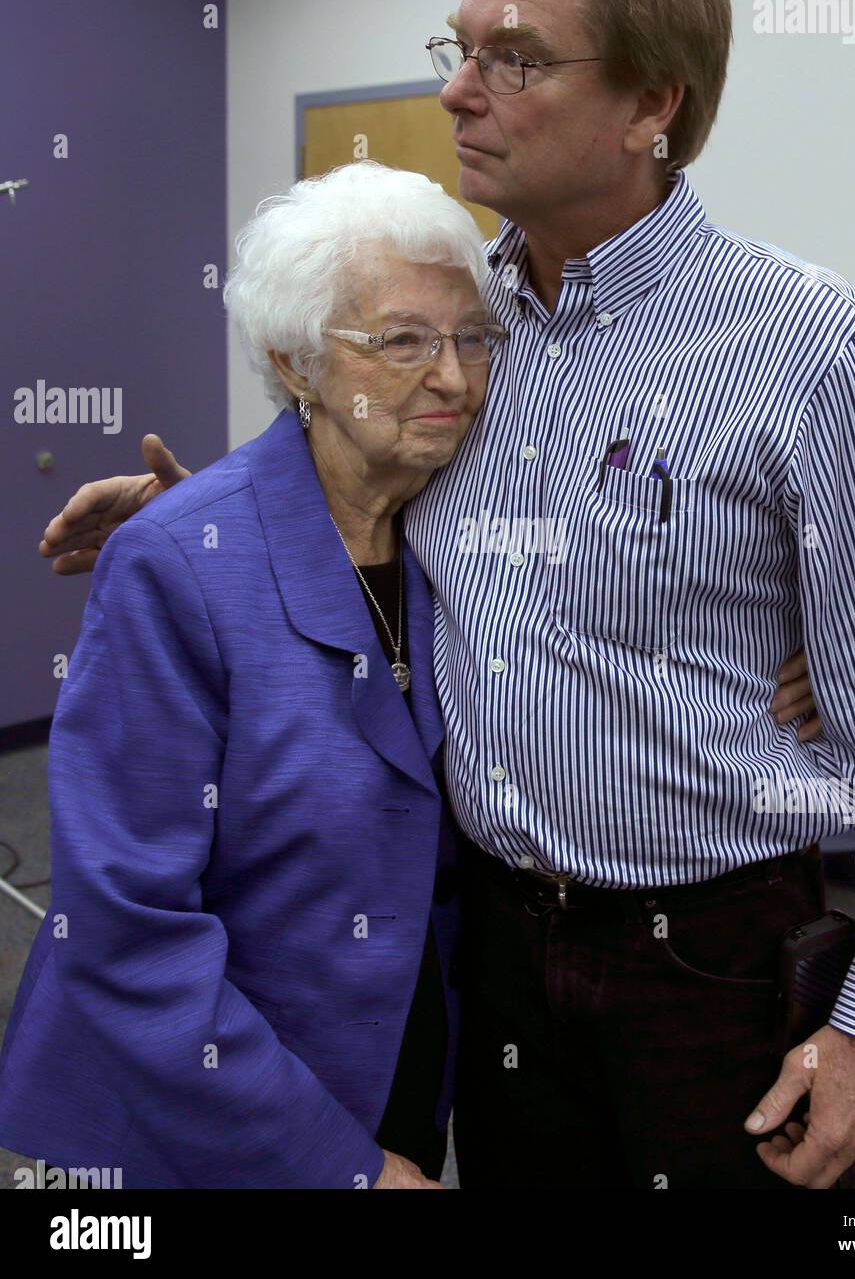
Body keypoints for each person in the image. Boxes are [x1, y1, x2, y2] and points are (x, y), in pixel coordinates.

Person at [45, 0, 855, 1192]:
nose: (456, 93)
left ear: (648, 104)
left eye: (512, 60)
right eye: (458, 51)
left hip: (703, 962)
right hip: (483, 943)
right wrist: (201, 520)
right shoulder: (463, 318)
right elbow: (375, 480)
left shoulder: (802, 347)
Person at [0, 160, 511, 1188]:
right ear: (295, 362)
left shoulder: (456, 543)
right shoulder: (173, 563)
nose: (454, 378)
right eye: (403, 341)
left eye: (472, 337)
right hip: (215, 1122)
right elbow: (128, 929)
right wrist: (338, 1168)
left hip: (402, 1068)